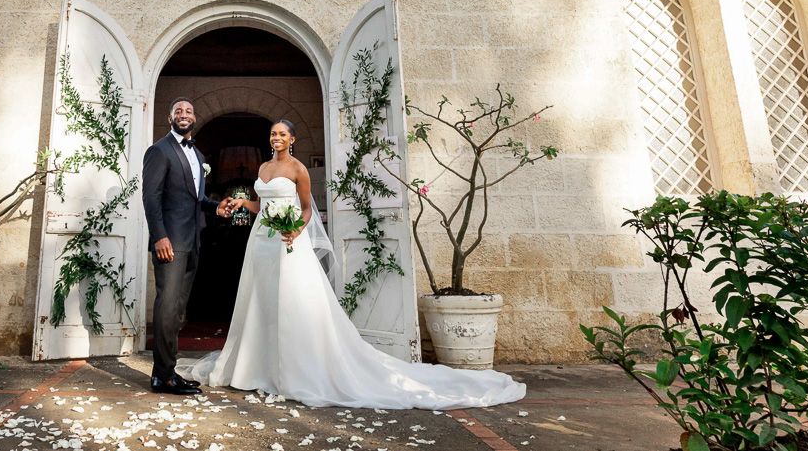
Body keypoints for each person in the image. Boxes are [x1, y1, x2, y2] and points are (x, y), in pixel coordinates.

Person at [187, 119, 527, 410]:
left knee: (293, 304)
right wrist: (244, 201)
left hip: (288, 242)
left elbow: (306, 209)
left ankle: (295, 370)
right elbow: (263, 204)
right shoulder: (262, 168)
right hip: (260, 242)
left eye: (282, 134)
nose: (276, 138)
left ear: (292, 139)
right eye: (272, 134)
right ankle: (254, 367)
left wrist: (296, 231)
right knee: (259, 302)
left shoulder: (298, 169)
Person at [141, 97, 220, 395]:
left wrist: (217, 208)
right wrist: (159, 236)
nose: (183, 115)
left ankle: (168, 371)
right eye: (178, 111)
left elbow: (196, 200)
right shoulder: (159, 151)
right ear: (170, 117)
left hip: (193, 240)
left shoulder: (198, 155)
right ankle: (162, 376)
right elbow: (151, 197)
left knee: (177, 310)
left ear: (194, 117)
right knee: (167, 306)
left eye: (188, 111)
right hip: (170, 242)